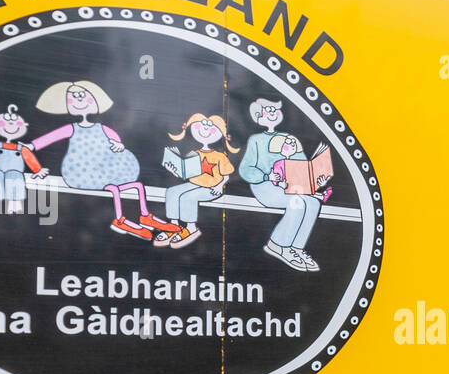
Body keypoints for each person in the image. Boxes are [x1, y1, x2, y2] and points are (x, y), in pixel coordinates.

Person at [30, 80, 180, 243]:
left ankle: (145, 216)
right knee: (114, 189)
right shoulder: (73, 128)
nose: (79, 101)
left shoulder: (103, 128)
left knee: (138, 186)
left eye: (83, 97)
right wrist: (31, 145)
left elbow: (116, 139)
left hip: (99, 171)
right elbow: (51, 137)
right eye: (73, 99)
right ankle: (120, 220)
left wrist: (118, 145)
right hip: (80, 173)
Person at [238, 97, 323, 272]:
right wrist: (267, 175)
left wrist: (315, 178)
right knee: (297, 202)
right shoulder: (256, 140)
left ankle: (297, 248)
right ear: (259, 116)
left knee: (313, 202)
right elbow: (246, 169)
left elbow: (301, 166)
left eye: (274, 110)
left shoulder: (289, 139)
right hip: (265, 186)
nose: (272, 114)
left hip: (291, 186)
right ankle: (278, 244)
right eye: (267, 110)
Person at [158, 113, 240, 249]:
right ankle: (173, 225)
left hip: (211, 188)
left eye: (211, 129)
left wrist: (220, 186)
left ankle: (190, 228)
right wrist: (174, 168)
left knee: (188, 197)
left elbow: (226, 176)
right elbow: (187, 172)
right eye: (199, 127)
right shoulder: (195, 153)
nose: (205, 131)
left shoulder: (220, 156)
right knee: (172, 191)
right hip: (194, 184)